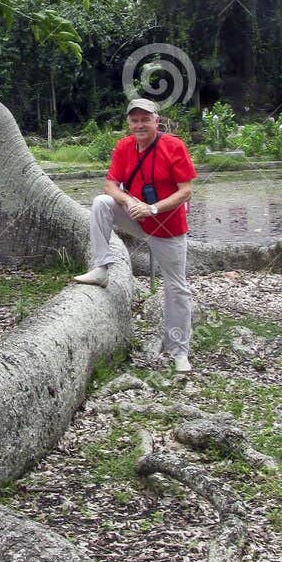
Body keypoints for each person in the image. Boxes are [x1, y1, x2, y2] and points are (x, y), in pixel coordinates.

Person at [72, 97, 197, 372]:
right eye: (135, 120)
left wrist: (153, 208)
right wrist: (128, 202)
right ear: (129, 122)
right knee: (101, 203)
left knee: (176, 287)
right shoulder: (124, 146)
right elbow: (109, 185)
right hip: (137, 216)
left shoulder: (173, 146)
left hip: (168, 227)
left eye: (145, 119)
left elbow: (186, 190)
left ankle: (179, 352)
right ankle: (101, 267)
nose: (140, 124)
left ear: (156, 121)